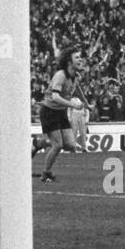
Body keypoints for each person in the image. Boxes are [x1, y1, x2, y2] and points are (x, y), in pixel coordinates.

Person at [38, 45, 87, 182]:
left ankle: (40, 142)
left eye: (80, 57)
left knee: (71, 145)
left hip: (61, 112)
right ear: (69, 62)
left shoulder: (76, 76)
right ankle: (46, 172)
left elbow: (78, 90)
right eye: (77, 57)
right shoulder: (60, 75)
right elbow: (55, 97)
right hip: (49, 111)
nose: (80, 59)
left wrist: (87, 104)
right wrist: (73, 105)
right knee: (58, 145)